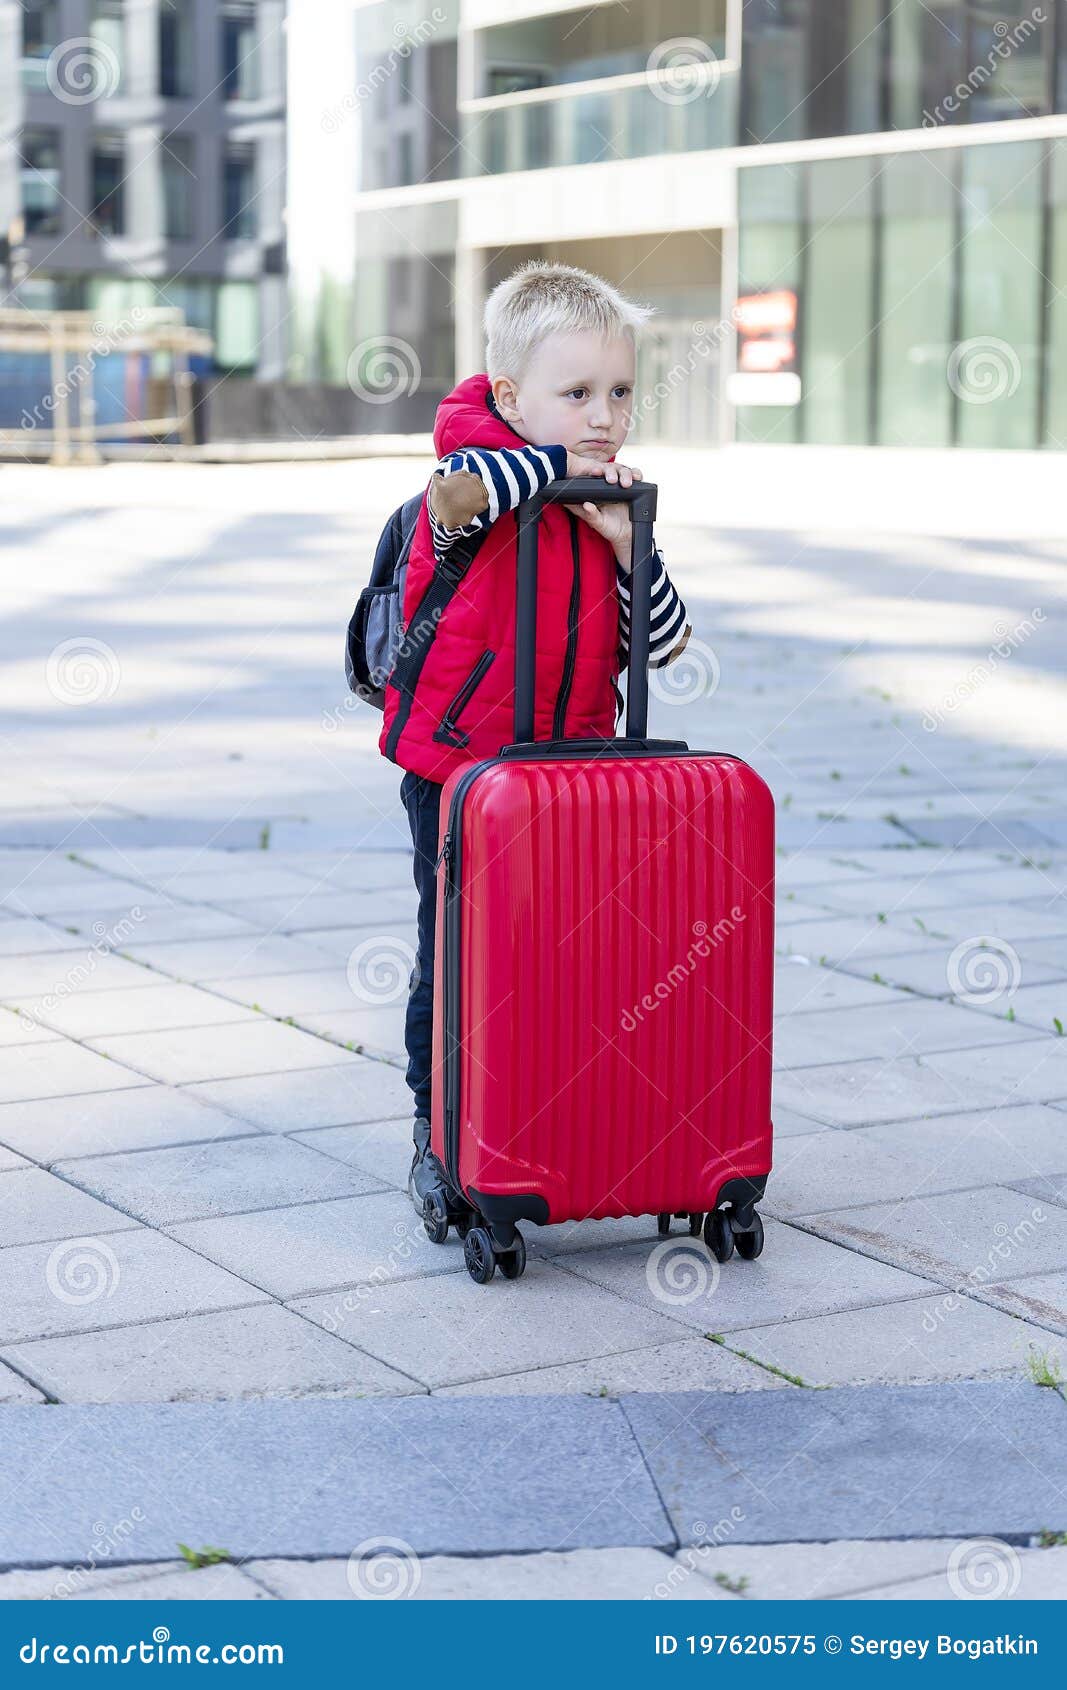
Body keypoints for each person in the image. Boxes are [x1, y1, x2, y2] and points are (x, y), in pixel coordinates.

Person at [376, 260, 692, 1214]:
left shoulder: (604, 507)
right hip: (462, 776)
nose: (604, 417)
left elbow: (665, 647)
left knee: (572, 955)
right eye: (577, 394)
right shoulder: (465, 479)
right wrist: (563, 472)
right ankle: (439, 1134)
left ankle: (557, 1120)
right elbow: (464, 499)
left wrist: (629, 546)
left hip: (570, 777)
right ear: (508, 397)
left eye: (620, 393)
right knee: (459, 953)